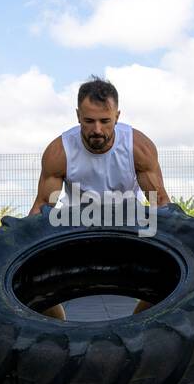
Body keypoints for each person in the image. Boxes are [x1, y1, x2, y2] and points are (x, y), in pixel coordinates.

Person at [29, 77, 171, 319]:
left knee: (171, 277)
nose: (97, 129)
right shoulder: (59, 151)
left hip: (129, 223)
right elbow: (43, 206)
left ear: (117, 116)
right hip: (77, 224)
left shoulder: (138, 147)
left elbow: (161, 205)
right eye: (89, 121)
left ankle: (137, 326)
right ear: (77, 116)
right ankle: (60, 328)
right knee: (30, 278)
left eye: (105, 121)